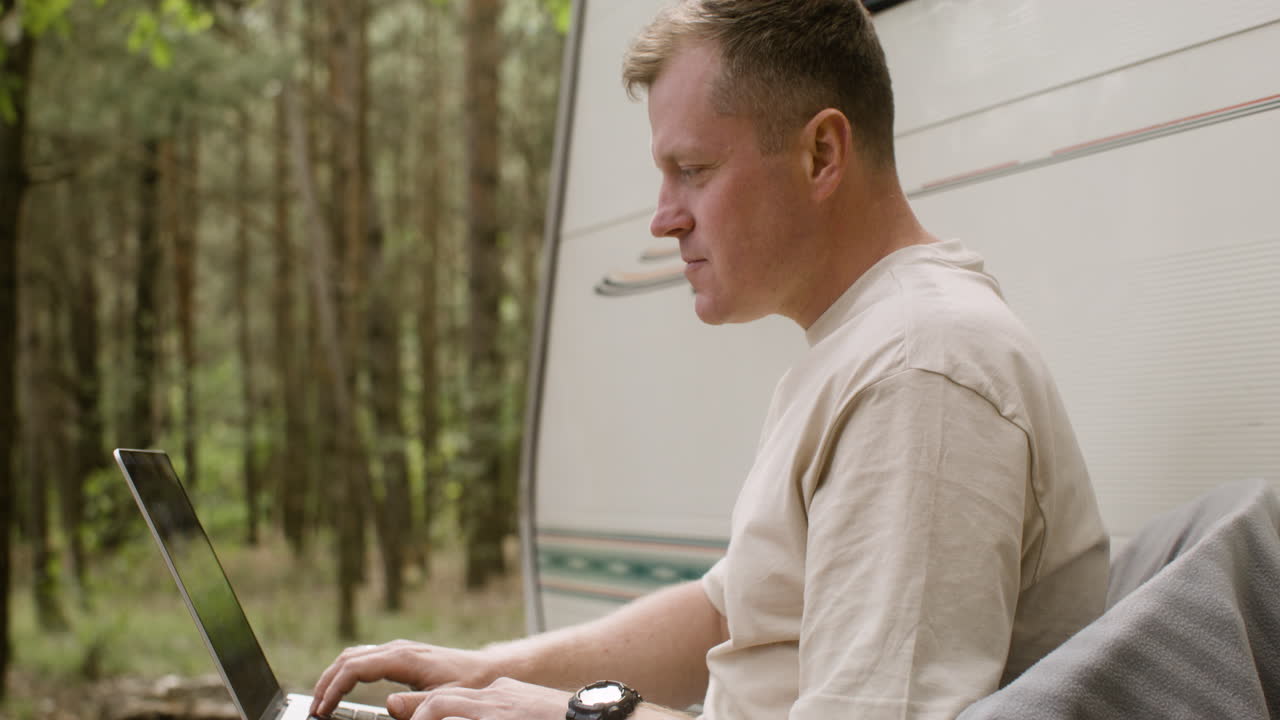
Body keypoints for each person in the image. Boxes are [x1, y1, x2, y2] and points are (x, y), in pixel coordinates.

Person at [309, 1, 1110, 718]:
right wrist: (491, 669)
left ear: (822, 154)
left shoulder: (917, 372)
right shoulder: (869, 345)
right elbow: (731, 617)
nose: (664, 220)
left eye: (692, 171)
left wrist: (570, 716)